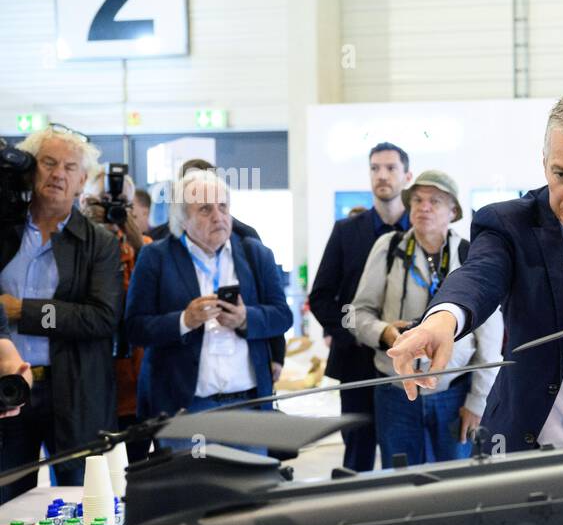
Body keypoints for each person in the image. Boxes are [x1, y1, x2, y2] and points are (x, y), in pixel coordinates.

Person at [388, 94, 563, 451]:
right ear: (545, 163)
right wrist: (443, 320)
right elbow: (481, 274)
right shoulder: (509, 224)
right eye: (561, 174)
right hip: (532, 444)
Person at [0, 125, 121, 502]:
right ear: (32, 170)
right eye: (49, 163)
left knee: (79, 501)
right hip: (10, 390)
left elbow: (100, 317)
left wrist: (27, 312)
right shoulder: (5, 231)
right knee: (6, 500)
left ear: (82, 180)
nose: (58, 174)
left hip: (73, 389)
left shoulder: (98, 242)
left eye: (70, 167)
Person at [350, 169, 503, 466]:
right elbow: (354, 315)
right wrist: (384, 333)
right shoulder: (389, 248)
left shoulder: (471, 254)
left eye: (435, 201)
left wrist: (477, 401)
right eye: (417, 200)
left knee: (455, 486)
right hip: (395, 394)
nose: (423, 207)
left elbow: (490, 338)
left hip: (453, 394)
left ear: (453, 210)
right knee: (402, 486)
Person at [125, 170, 292, 440]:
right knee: (192, 483)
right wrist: (184, 321)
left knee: (251, 482)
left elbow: (283, 316)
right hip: (185, 409)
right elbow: (134, 328)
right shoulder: (155, 257)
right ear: (182, 218)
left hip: (247, 405)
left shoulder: (256, 254)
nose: (218, 217)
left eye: (223, 207)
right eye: (205, 209)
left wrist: (245, 318)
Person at [310, 143, 413, 471]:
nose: (382, 175)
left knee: (404, 455)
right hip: (357, 362)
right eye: (375, 168)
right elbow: (324, 296)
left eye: (391, 168)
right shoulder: (346, 232)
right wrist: (353, 330)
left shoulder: (419, 232)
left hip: (408, 360)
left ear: (406, 176)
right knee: (358, 454)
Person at [150, 158, 287, 382]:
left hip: (244, 374)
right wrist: (184, 320)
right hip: (180, 377)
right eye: (202, 205)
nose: (216, 215)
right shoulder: (157, 248)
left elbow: (275, 307)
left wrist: (276, 354)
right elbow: (139, 323)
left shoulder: (248, 242)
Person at [83, 166, 153, 463]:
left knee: (135, 477)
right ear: (87, 202)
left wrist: (132, 235)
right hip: (90, 389)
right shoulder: (76, 248)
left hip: (136, 392)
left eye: (122, 204)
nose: (113, 210)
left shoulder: (145, 250)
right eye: (104, 202)